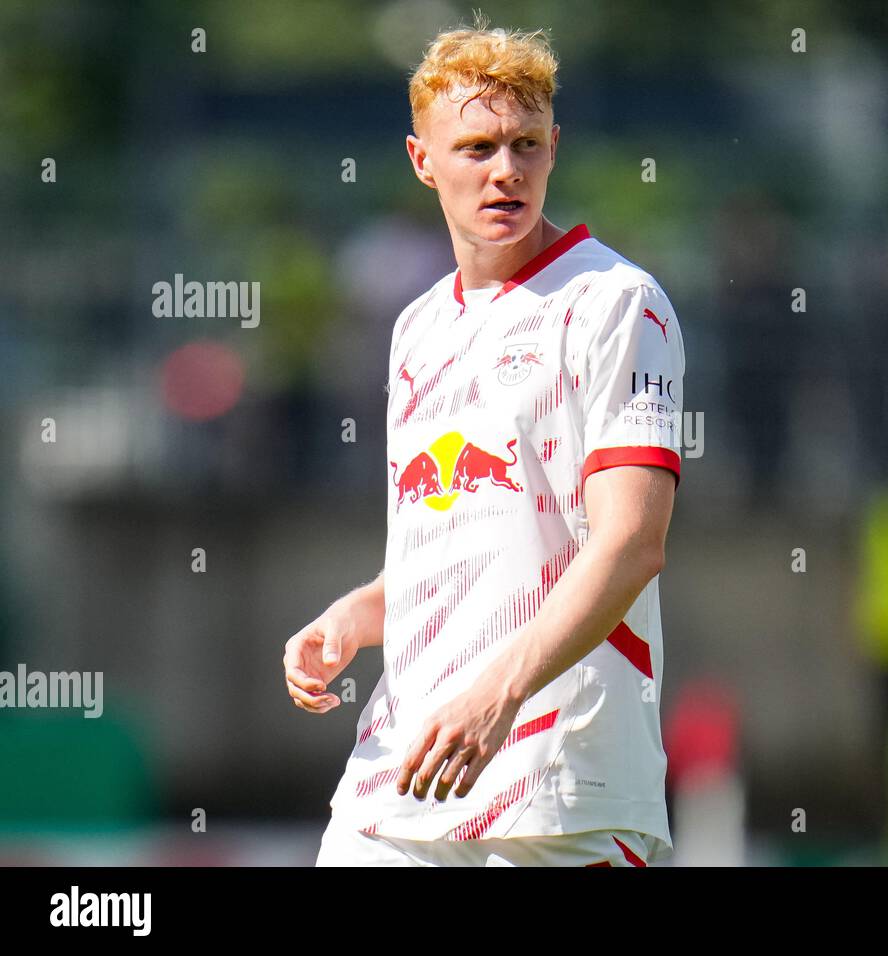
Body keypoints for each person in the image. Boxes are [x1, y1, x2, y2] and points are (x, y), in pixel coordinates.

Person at [282, 15, 685, 867]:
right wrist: (358, 616)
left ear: (554, 148)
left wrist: (497, 696)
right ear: (422, 160)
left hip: (560, 792)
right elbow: (458, 533)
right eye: (476, 148)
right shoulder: (416, 328)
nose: (506, 171)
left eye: (527, 144)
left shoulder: (618, 304)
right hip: (400, 778)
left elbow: (632, 543)